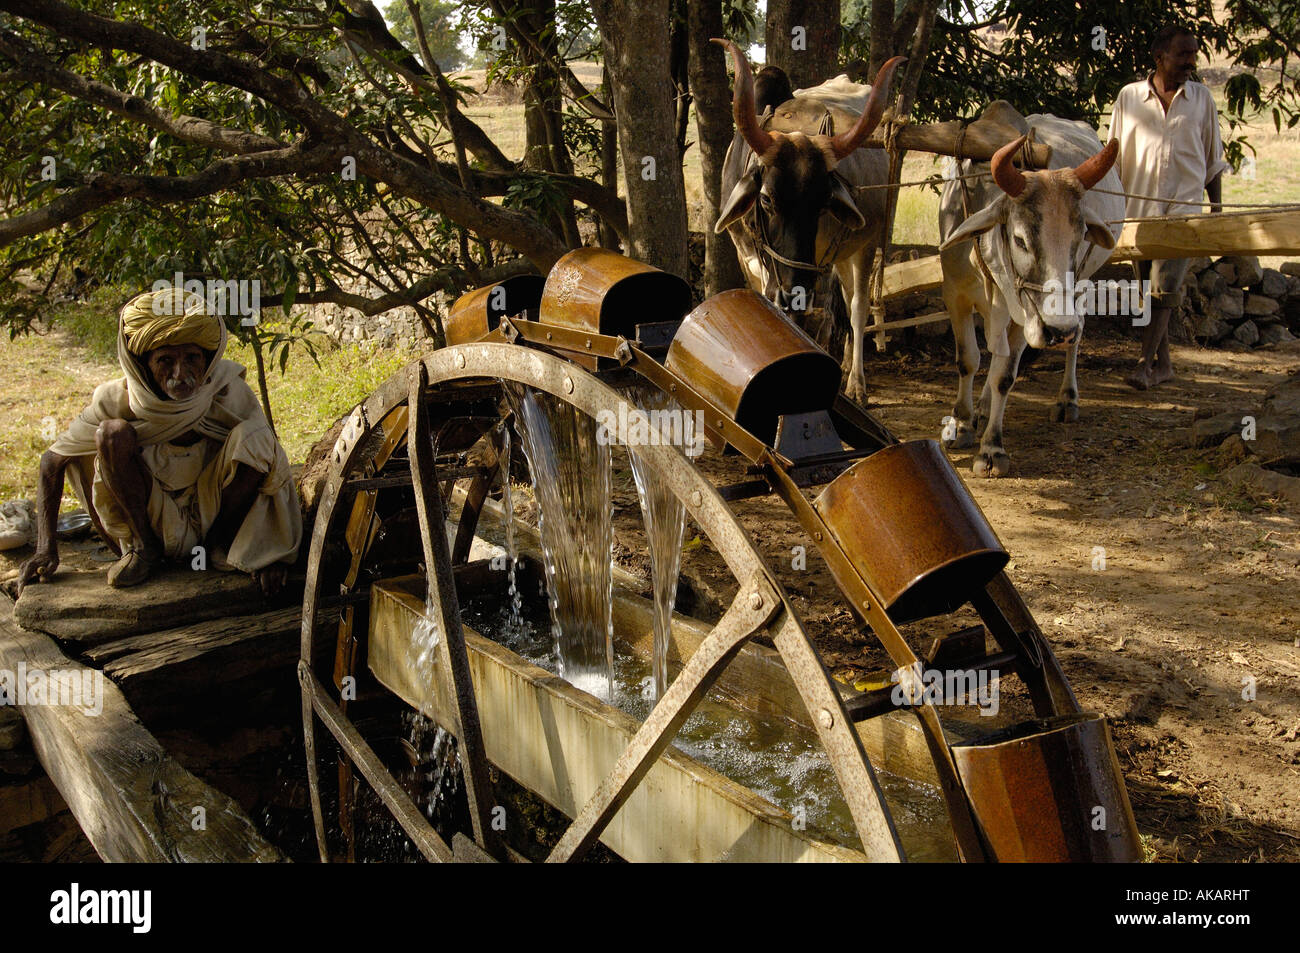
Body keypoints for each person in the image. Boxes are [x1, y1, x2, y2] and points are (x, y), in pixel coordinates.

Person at [17, 287, 302, 595]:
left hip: (212, 514)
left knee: (258, 438)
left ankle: (218, 546)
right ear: (142, 365)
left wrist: (270, 552)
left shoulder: (226, 391)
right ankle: (144, 551)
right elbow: (52, 461)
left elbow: (273, 467)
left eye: (192, 358)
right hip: (149, 518)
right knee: (111, 434)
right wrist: (46, 548)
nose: (181, 374)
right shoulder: (116, 400)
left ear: (208, 358)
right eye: (165, 360)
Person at [1108, 24, 1229, 390]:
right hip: (1138, 213)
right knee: (1148, 292)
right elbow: (1112, 159)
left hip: (1183, 213)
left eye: (1193, 54)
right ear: (1160, 58)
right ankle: (1165, 366)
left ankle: (1144, 365)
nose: (1191, 62)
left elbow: (1212, 159)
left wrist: (1217, 209)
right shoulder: (1128, 98)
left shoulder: (1202, 100)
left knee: (1164, 290)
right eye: (1183, 55)